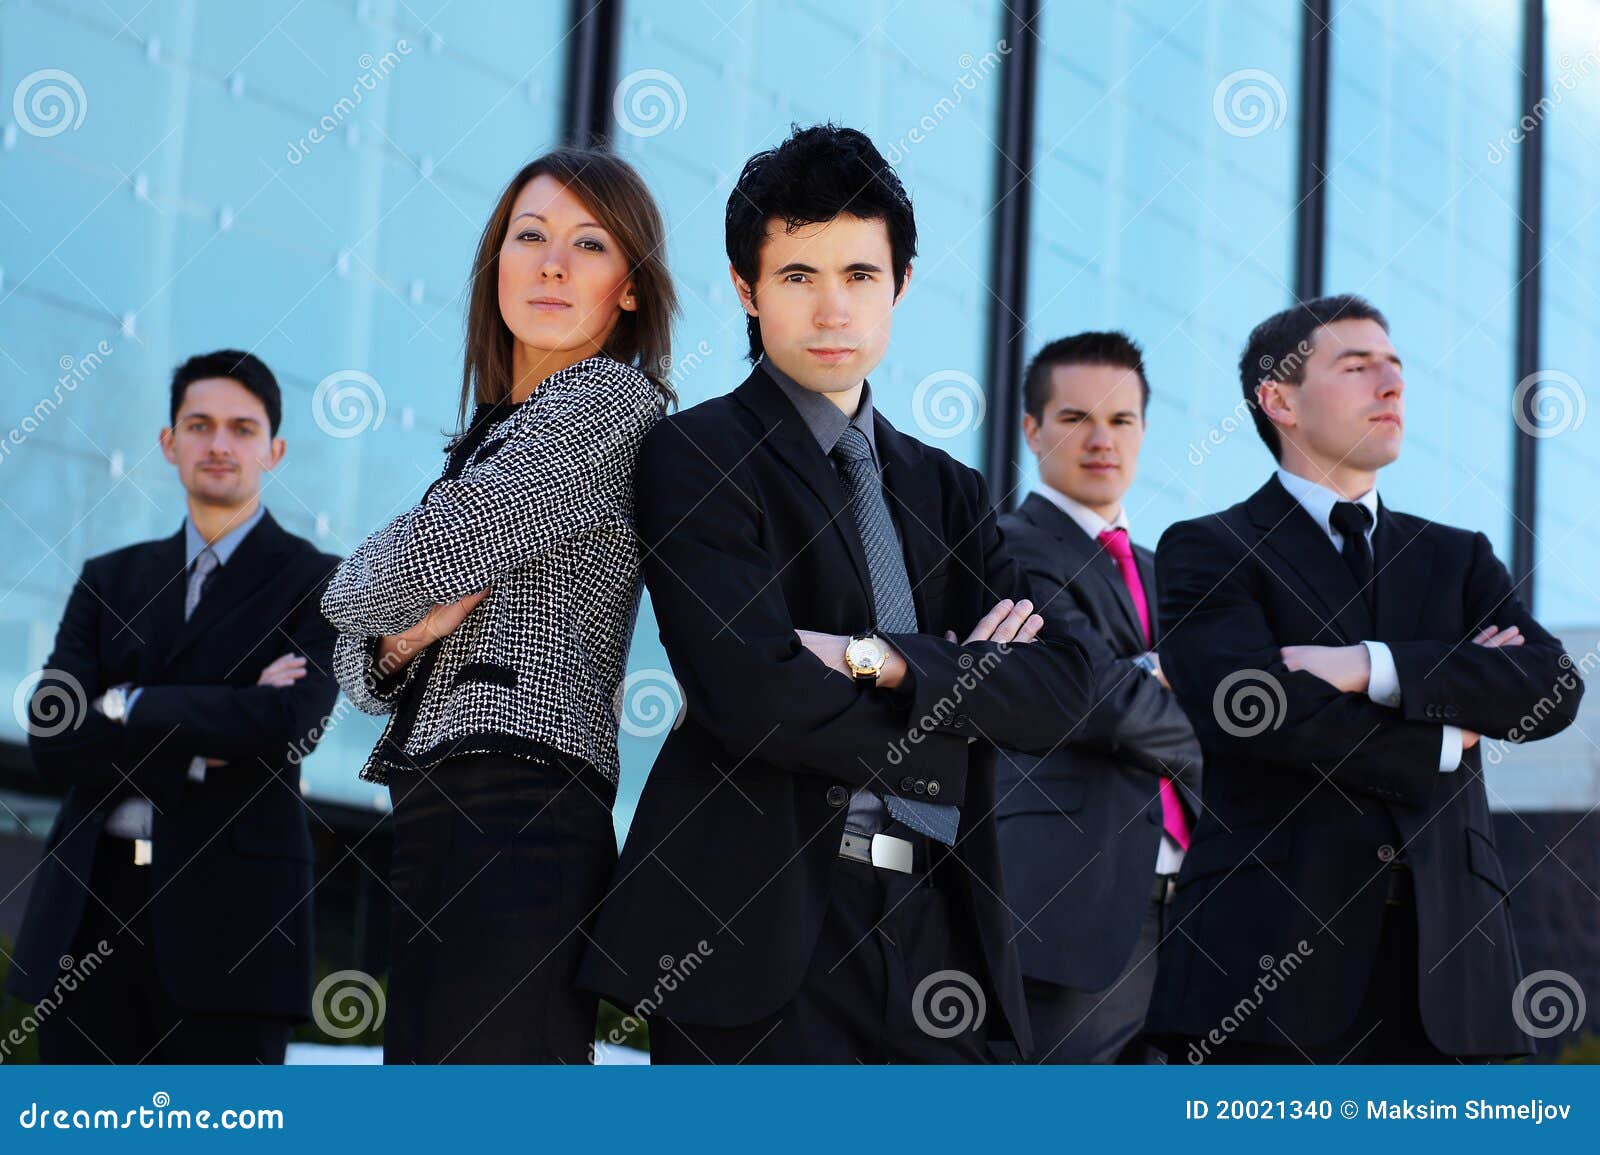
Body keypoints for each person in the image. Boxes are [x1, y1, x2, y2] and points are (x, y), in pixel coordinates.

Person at [577, 124, 1094, 1063]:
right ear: (747, 290)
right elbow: (751, 690)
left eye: (859, 276)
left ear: (897, 287)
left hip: (947, 930)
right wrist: (959, 704)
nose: (831, 310)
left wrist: (878, 657)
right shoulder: (697, 455)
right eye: (798, 276)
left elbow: (1062, 683)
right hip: (758, 937)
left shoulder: (951, 489)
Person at [1147, 294, 1584, 1062]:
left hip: (1457, 978)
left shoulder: (1459, 557)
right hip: (1263, 977)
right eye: (1356, 367)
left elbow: (1549, 686)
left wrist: (1369, 666)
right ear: (1278, 398)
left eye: (1395, 367)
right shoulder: (1207, 547)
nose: (1392, 384)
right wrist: (1449, 731)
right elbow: (1249, 711)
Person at [320, 149, 676, 1064]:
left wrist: (366, 596)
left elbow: (393, 573)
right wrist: (396, 627)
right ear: (498, 265)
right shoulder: (491, 431)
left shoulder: (608, 401)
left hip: (525, 802)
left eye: (588, 244)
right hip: (443, 799)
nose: (552, 263)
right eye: (531, 236)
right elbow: (359, 672)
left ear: (630, 290)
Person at [9, 349, 339, 1063]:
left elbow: (288, 725)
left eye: (242, 429)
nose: (220, 443)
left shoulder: (318, 582)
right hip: (88, 911)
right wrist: (217, 719)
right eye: (200, 424)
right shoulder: (110, 579)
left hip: (236, 924)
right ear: (170, 442)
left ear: (273, 450)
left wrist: (128, 702)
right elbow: (52, 735)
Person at [995, 331, 1202, 1063]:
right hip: (1073, 897)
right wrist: (1180, 690)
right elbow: (1094, 694)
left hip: (1193, 897)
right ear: (1032, 429)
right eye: (1074, 417)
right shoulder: (1009, 547)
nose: (1100, 439)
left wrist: (1151, 677)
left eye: (1120, 420)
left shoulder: (1168, 572)